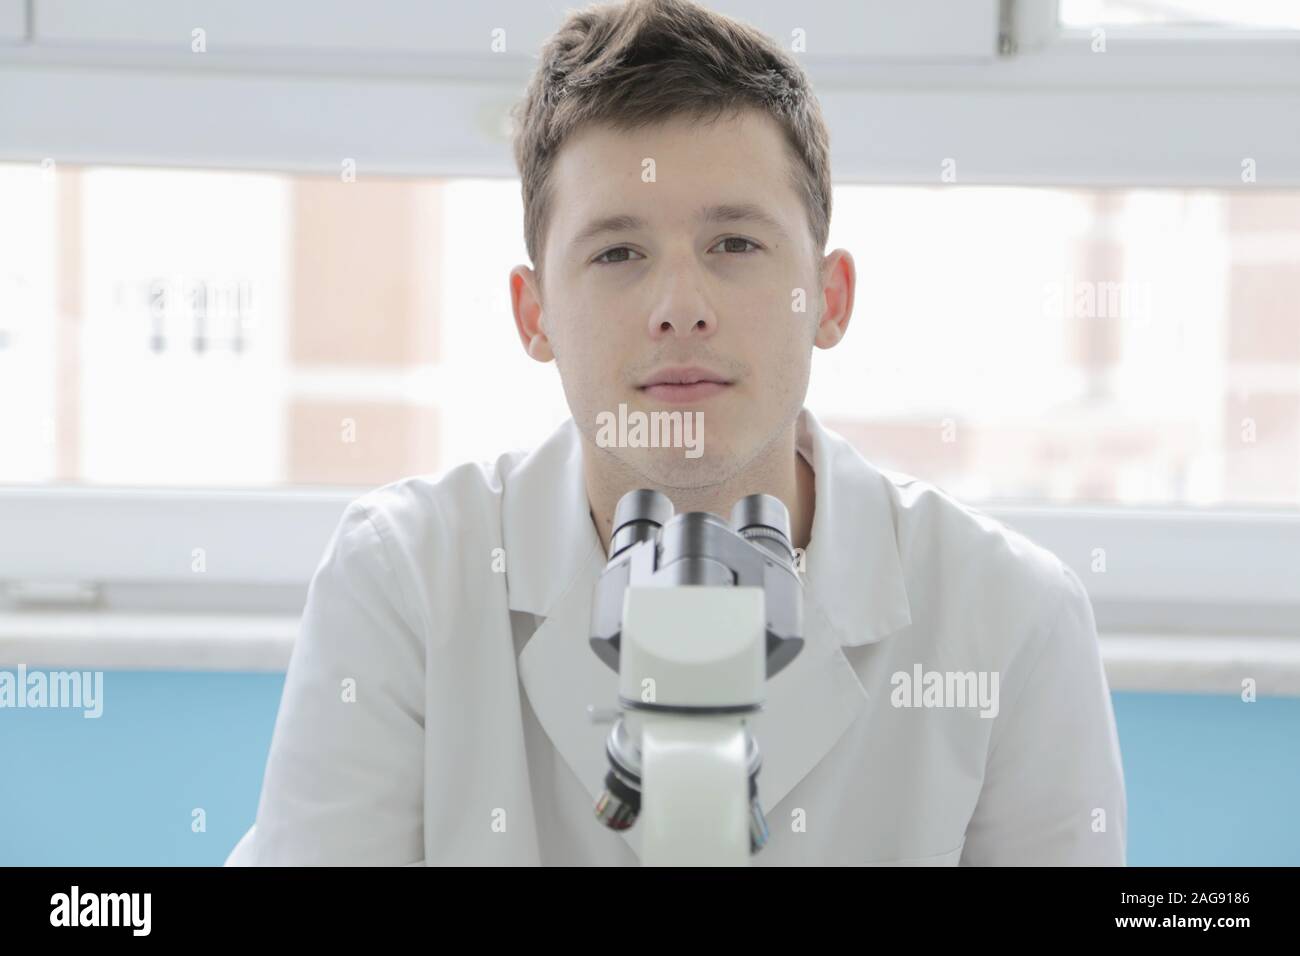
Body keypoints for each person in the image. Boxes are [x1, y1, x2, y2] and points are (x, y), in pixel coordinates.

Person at [233, 0, 1126, 866]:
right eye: (618, 253)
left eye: (734, 244)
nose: (680, 310)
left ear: (829, 298)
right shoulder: (403, 582)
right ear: (534, 314)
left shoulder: (1009, 620)